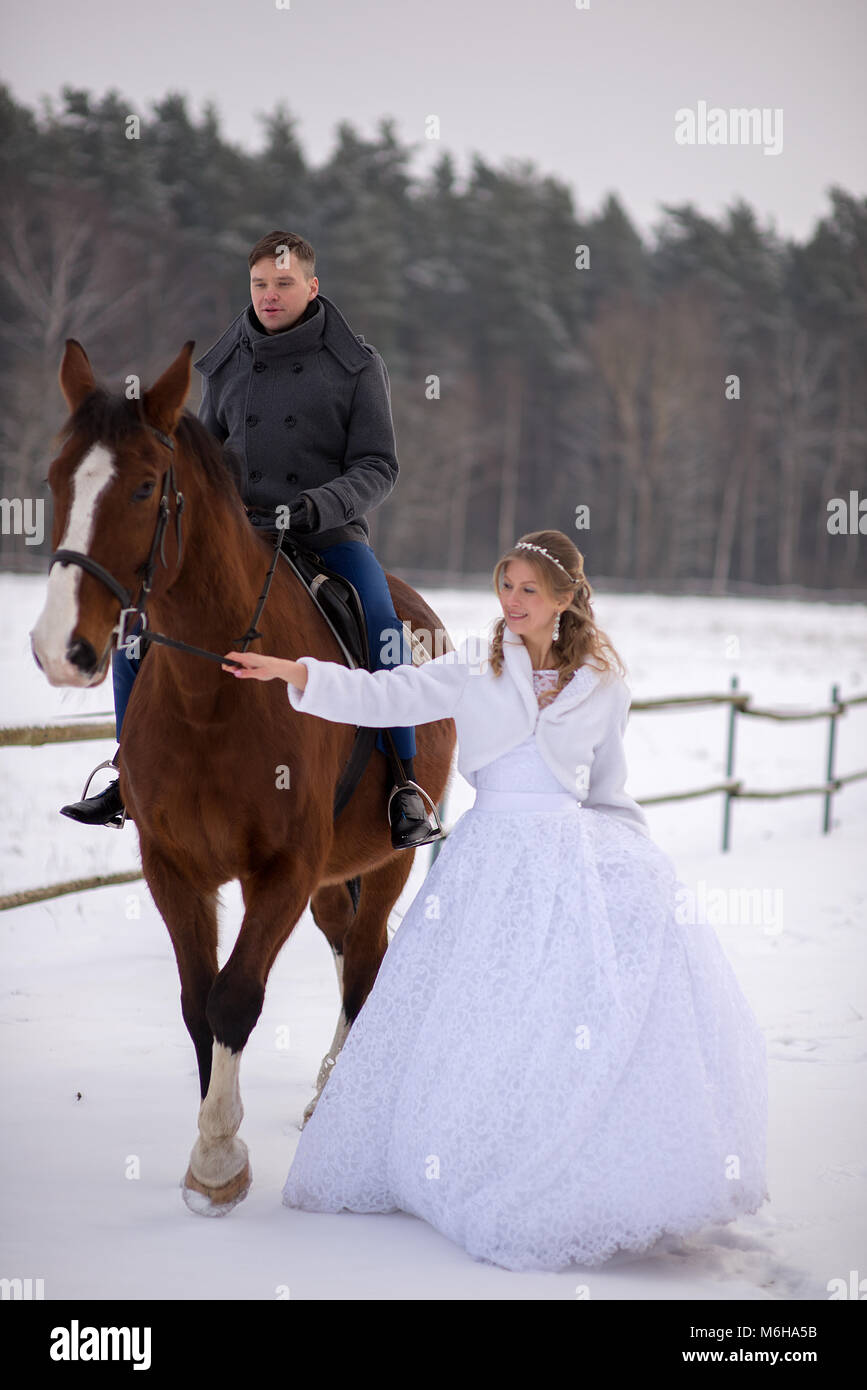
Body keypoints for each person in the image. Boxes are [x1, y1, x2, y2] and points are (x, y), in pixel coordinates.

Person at [221, 529, 770, 1273]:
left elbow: (607, 791)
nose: (510, 602)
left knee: (556, 1018)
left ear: (565, 600)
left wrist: (633, 865)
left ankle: (567, 1154)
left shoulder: (604, 687)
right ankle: (467, 1152)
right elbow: (383, 693)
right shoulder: (471, 669)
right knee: (478, 1012)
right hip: (487, 864)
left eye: (527, 591)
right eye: (504, 585)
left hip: (566, 861)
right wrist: (294, 671)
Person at [60, 230, 438, 850]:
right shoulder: (227, 360)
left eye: (284, 284)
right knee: (136, 627)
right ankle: (127, 769)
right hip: (238, 536)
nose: (269, 295)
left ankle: (403, 783)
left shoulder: (358, 365)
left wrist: (317, 504)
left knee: (383, 626)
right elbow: (201, 459)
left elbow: (379, 466)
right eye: (260, 283)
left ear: (312, 287)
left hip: (328, 534)